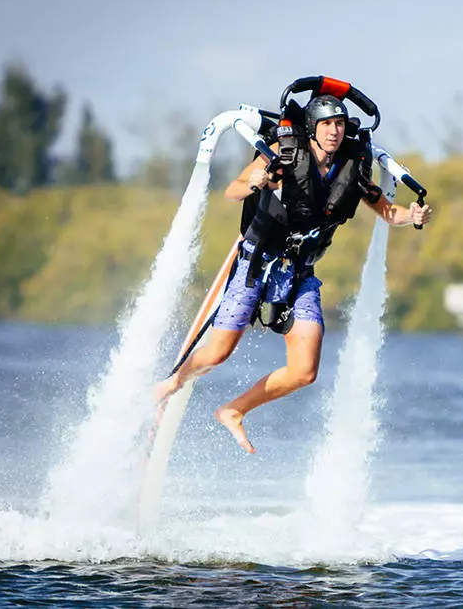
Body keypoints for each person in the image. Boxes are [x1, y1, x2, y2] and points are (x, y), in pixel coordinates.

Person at [153, 93, 433, 453]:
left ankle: (234, 410)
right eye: (327, 124)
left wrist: (412, 216)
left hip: (299, 273)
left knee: (304, 371)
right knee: (218, 353)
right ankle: (172, 383)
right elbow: (232, 191)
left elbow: (388, 211)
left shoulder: (353, 166)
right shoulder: (284, 155)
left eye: (339, 124)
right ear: (313, 129)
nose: (334, 131)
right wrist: (258, 181)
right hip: (258, 263)